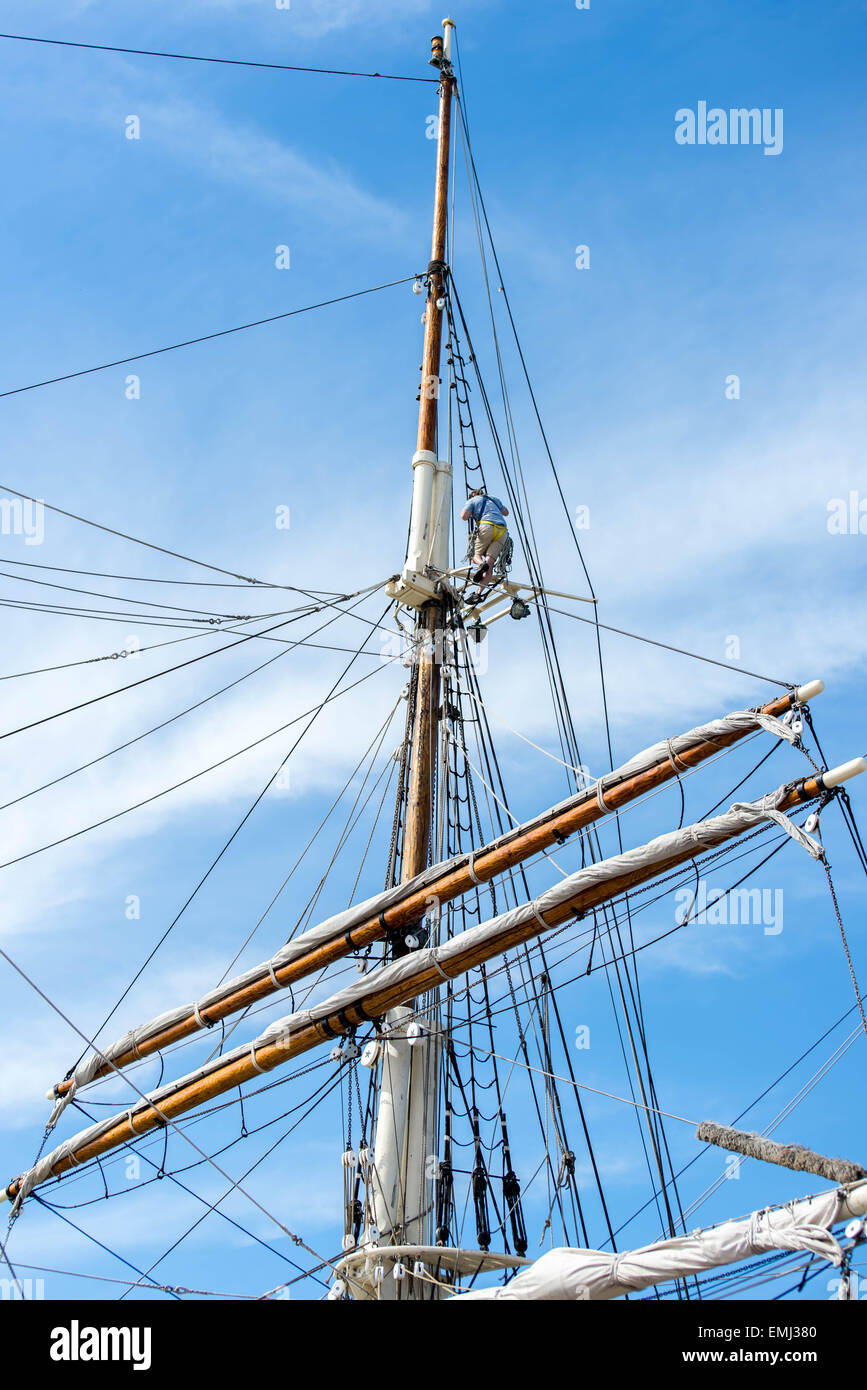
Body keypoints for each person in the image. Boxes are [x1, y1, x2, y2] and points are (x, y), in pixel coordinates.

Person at [461, 488, 510, 590]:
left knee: (475, 555)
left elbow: (464, 516)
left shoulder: (472, 501)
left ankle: (481, 564)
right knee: (490, 563)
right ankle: (478, 593)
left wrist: (472, 513)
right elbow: (506, 512)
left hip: (487, 526)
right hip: (502, 531)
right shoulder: (493, 499)